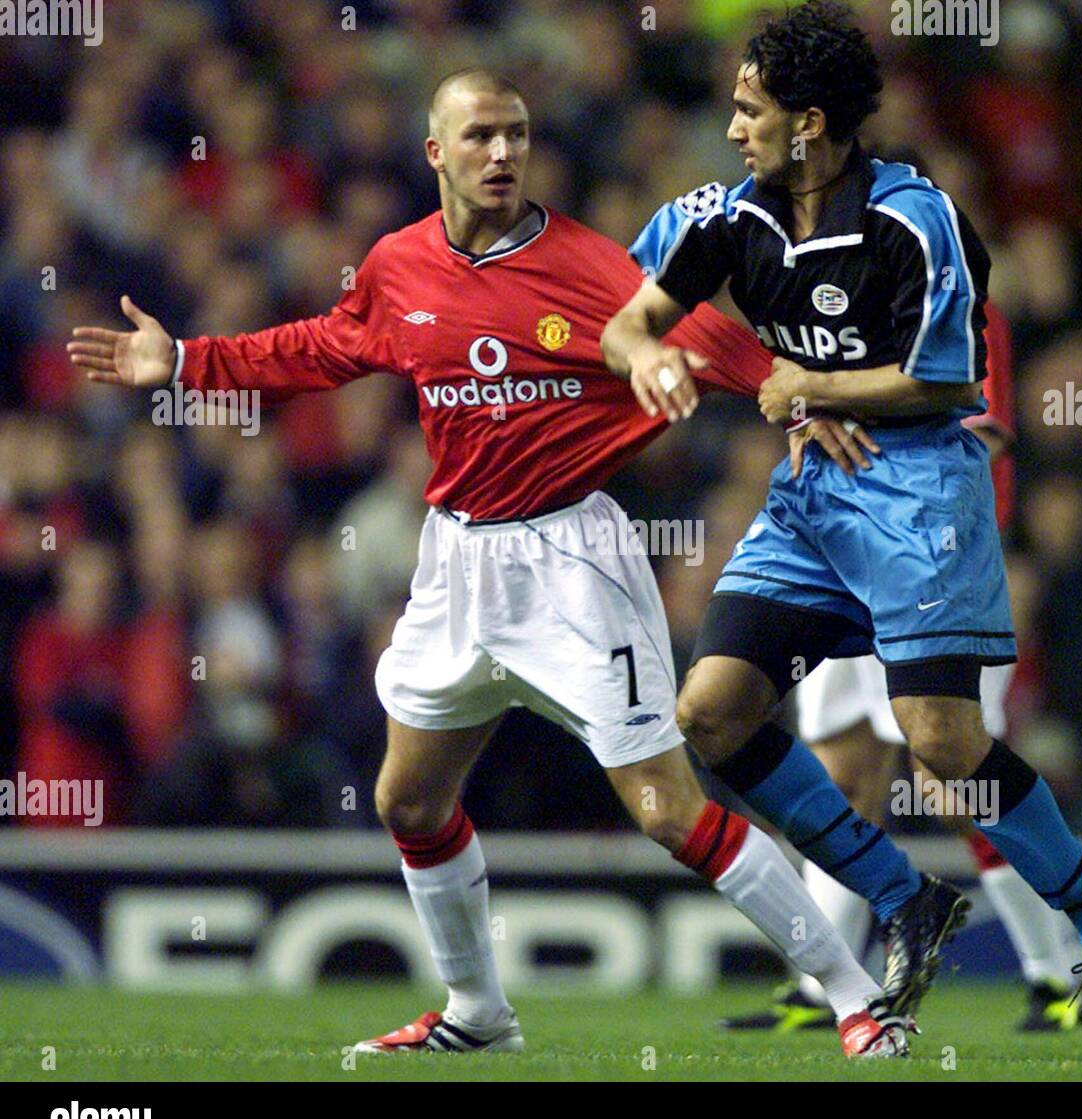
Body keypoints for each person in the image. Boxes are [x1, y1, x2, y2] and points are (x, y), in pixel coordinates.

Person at [68, 69, 917, 1060]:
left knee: (666, 810)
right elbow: (327, 348)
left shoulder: (587, 264)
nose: (503, 152)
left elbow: (707, 338)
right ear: (437, 153)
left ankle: (858, 996)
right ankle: (478, 1011)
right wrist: (184, 364)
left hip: (572, 561)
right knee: (408, 800)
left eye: (516, 133)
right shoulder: (397, 264)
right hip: (454, 561)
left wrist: (805, 396)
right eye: (479, 136)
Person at [602, 1, 1082, 1056]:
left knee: (941, 742)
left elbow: (947, 376)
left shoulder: (917, 217)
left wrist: (815, 384)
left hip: (918, 495)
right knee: (712, 712)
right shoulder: (729, 215)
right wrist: (651, 354)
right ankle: (904, 897)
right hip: (813, 495)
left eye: (749, 109)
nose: (732, 130)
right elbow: (627, 311)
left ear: (808, 123)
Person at [724, 301, 1081, 1035]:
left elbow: (988, 433)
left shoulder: (960, 305)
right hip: (835, 561)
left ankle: (1064, 973)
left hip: (932, 569)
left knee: (956, 778)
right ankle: (824, 984)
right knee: (841, 776)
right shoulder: (815, 297)